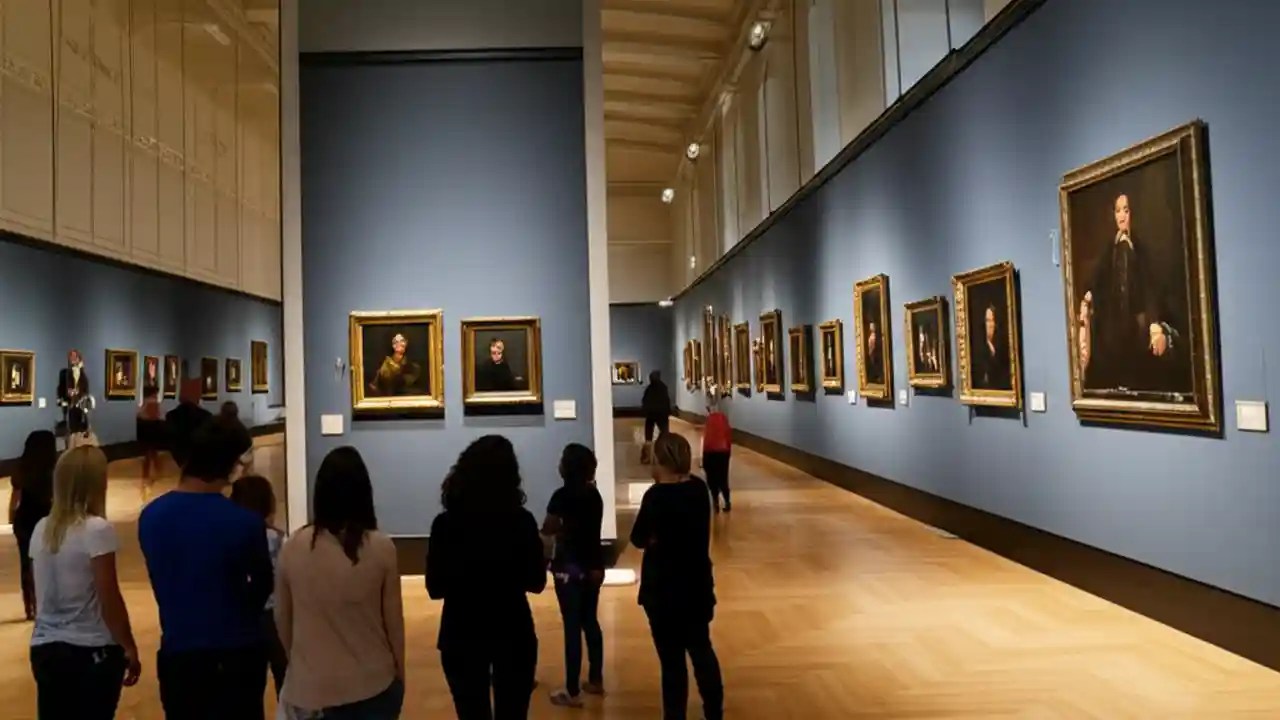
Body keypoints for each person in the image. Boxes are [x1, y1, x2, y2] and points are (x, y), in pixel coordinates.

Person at [139, 416, 272, 720]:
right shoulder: (245, 522)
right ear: (228, 464)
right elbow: (262, 585)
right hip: (237, 650)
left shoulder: (152, 517)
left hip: (179, 650)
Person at [275, 447, 405, 718]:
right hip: (372, 684)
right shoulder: (381, 547)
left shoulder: (293, 546)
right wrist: (399, 675)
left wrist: (301, 664)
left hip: (309, 690)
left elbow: (283, 619)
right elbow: (393, 623)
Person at [427, 435, 547, 719]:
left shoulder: (445, 524)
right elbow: (537, 582)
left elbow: (435, 587)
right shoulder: (522, 521)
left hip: (461, 633)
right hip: (512, 630)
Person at [29, 446, 141, 719]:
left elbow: (37, 588)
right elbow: (108, 596)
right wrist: (128, 644)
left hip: (45, 647)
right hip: (91, 649)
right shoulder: (97, 530)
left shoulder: (42, 528)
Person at [631, 433, 723, 720]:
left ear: (659, 461)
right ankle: (714, 712)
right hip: (696, 585)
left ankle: (674, 715)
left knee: (671, 663)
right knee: (702, 651)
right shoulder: (698, 489)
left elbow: (637, 538)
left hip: (662, 590)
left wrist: (656, 538)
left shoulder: (655, 497)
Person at [1078, 193, 1187, 393]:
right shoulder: (1109, 249)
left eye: (1126, 211)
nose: (1122, 216)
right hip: (1113, 328)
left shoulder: (1141, 249)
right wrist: (1089, 295)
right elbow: (1096, 280)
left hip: (1137, 325)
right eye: (1118, 211)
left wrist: (1153, 321)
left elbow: (1151, 287)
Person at [542, 444, 605, 707]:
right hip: (594, 565)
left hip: (568, 567)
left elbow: (548, 527)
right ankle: (596, 679)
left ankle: (572, 690)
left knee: (571, 626)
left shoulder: (560, 496)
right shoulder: (595, 495)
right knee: (590, 621)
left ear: (566, 468)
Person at [231, 474, 288, 697]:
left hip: (244, 615)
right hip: (276, 616)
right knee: (285, 680)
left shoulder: (233, 538)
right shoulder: (279, 539)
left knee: (248, 687)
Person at [9, 430, 58, 620]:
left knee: (26, 563)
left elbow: (15, 500)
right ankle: (45, 603)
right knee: (46, 562)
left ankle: (29, 606)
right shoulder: (54, 470)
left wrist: (13, 519)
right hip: (46, 519)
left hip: (24, 519)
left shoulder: (21, 468)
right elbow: (57, 499)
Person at [165, 379, 212, 470]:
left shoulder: (171, 415)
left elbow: (170, 437)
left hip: (179, 456)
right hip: (198, 456)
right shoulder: (206, 416)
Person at [701, 405, 732, 513]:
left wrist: (703, 460)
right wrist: (728, 453)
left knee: (712, 479)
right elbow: (728, 438)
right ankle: (727, 502)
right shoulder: (724, 420)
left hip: (710, 453)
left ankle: (716, 502)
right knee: (723, 478)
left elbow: (706, 440)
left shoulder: (709, 421)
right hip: (723, 452)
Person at [973, 305, 1011, 390]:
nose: (990, 325)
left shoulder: (1002, 348)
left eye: (992, 321)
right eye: (987, 320)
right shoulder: (978, 349)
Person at [58, 350, 91, 443]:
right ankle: (73, 444)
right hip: (72, 402)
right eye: (71, 357)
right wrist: (70, 393)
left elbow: (85, 387)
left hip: (81, 402)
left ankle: (82, 444)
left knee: (83, 426)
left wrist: (80, 393)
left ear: (78, 358)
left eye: (74, 357)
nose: (72, 359)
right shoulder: (68, 373)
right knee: (73, 427)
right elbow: (66, 388)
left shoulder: (82, 372)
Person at [137, 385, 164, 497]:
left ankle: (151, 474)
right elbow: (154, 416)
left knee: (149, 453)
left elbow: (141, 414)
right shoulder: (152, 402)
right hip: (151, 428)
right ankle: (149, 476)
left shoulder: (145, 402)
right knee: (150, 453)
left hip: (145, 428)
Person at [640, 370, 672, 463]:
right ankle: (664, 454)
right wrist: (668, 412)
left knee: (648, 436)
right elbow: (666, 401)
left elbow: (645, 401)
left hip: (651, 415)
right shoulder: (663, 388)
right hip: (662, 415)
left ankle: (647, 456)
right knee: (665, 434)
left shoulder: (649, 389)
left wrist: (645, 411)